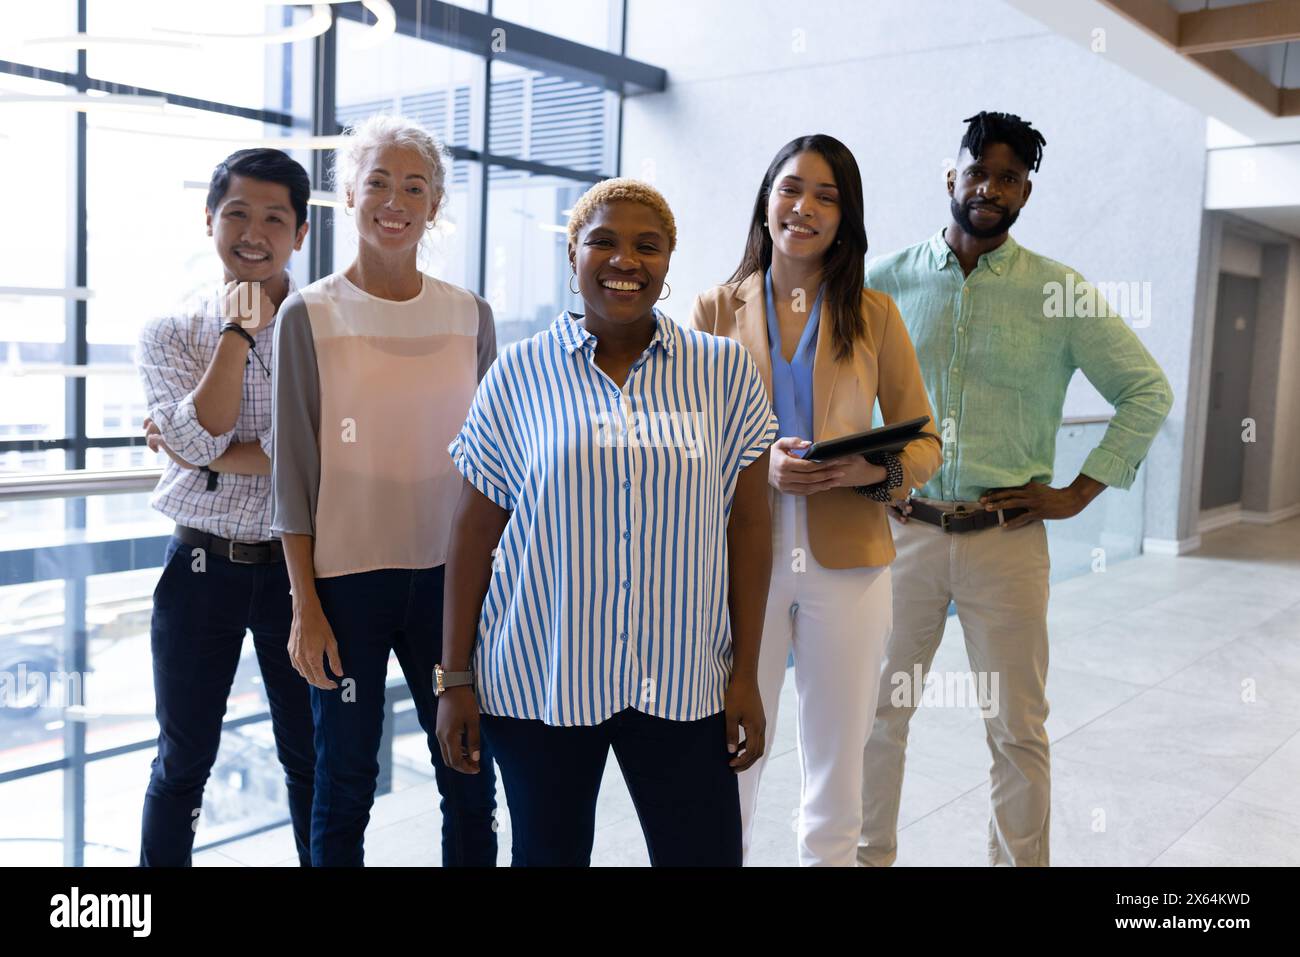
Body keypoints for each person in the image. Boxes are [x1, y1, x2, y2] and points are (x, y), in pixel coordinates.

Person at [859, 111, 1174, 867]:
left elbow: (1146, 391)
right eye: (979, 171)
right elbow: (832, 392)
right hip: (902, 536)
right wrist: (873, 477)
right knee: (876, 716)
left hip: (1008, 543)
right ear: (951, 175)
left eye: (1009, 178)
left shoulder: (1058, 292)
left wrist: (1078, 493)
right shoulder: (883, 281)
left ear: (1025, 191)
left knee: (1017, 727)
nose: (990, 189)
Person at [436, 178, 776, 867]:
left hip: (683, 678)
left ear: (668, 261)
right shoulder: (518, 373)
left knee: (706, 856)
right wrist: (455, 678)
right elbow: (472, 535)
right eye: (605, 242)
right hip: (540, 676)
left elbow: (749, 526)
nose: (626, 259)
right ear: (574, 255)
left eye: (647, 246)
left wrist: (746, 674)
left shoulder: (723, 371)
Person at [692, 135, 941, 866]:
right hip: (742, 555)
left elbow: (925, 444)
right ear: (767, 199)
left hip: (850, 559)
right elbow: (684, 440)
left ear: (845, 218)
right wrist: (755, 462)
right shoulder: (713, 307)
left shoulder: (877, 315)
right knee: (733, 746)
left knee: (839, 760)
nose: (804, 207)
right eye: (791, 188)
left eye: (827, 196)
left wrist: (869, 472)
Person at [270, 114, 499, 867]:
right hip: (344, 587)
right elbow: (294, 476)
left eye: (414, 187)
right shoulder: (308, 314)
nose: (395, 200)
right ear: (347, 194)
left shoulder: (471, 316)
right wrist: (305, 607)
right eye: (378, 182)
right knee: (345, 778)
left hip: (452, 582)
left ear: (434, 206)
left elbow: (495, 465)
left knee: (466, 769)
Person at [135, 147, 314, 866]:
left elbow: (322, 449)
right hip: (201, 563)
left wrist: (197, 449)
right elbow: (195, 432)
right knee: (182, 762)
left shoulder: (325, 327)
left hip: (300, 568)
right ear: (209, 219)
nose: (254, 231)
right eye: (237, 212)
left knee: (310, 755)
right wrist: (237, 335)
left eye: (275, 217)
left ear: (300, 233)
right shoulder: (172, 329)